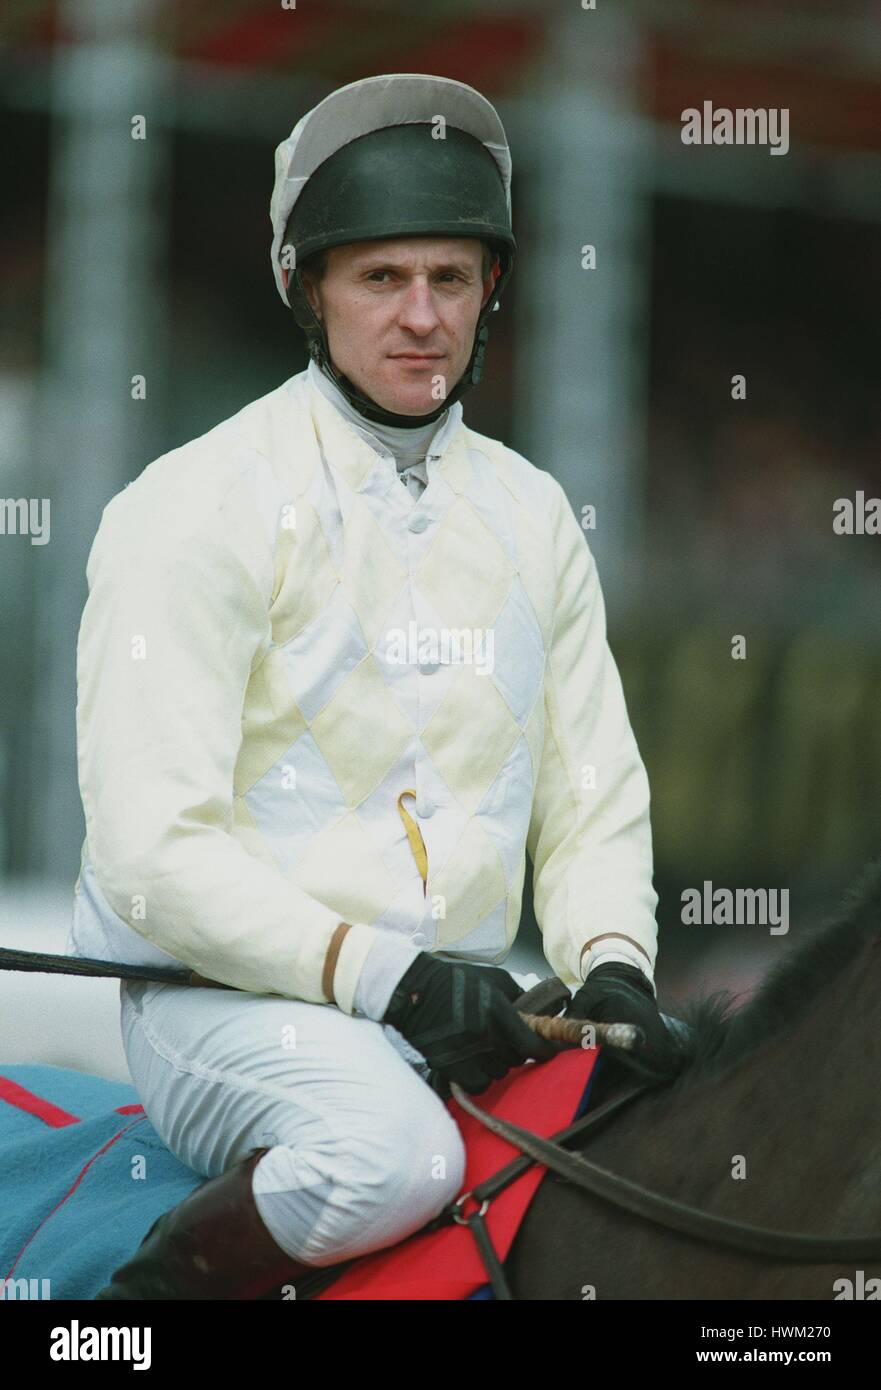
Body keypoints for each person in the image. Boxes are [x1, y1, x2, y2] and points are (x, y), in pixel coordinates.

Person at [71, 73, 670, 1301]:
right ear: (309, 288)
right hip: (221, 1000)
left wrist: (612, 960)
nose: (420, 319)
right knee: (384, 1157)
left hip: (455, 1000)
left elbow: (590, 788)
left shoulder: (533, 512)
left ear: (488, 292)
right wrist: (376, 974)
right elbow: (149, 855)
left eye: (450, 279)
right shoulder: (190, 507)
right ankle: (132, 1314)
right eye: (379, 279)